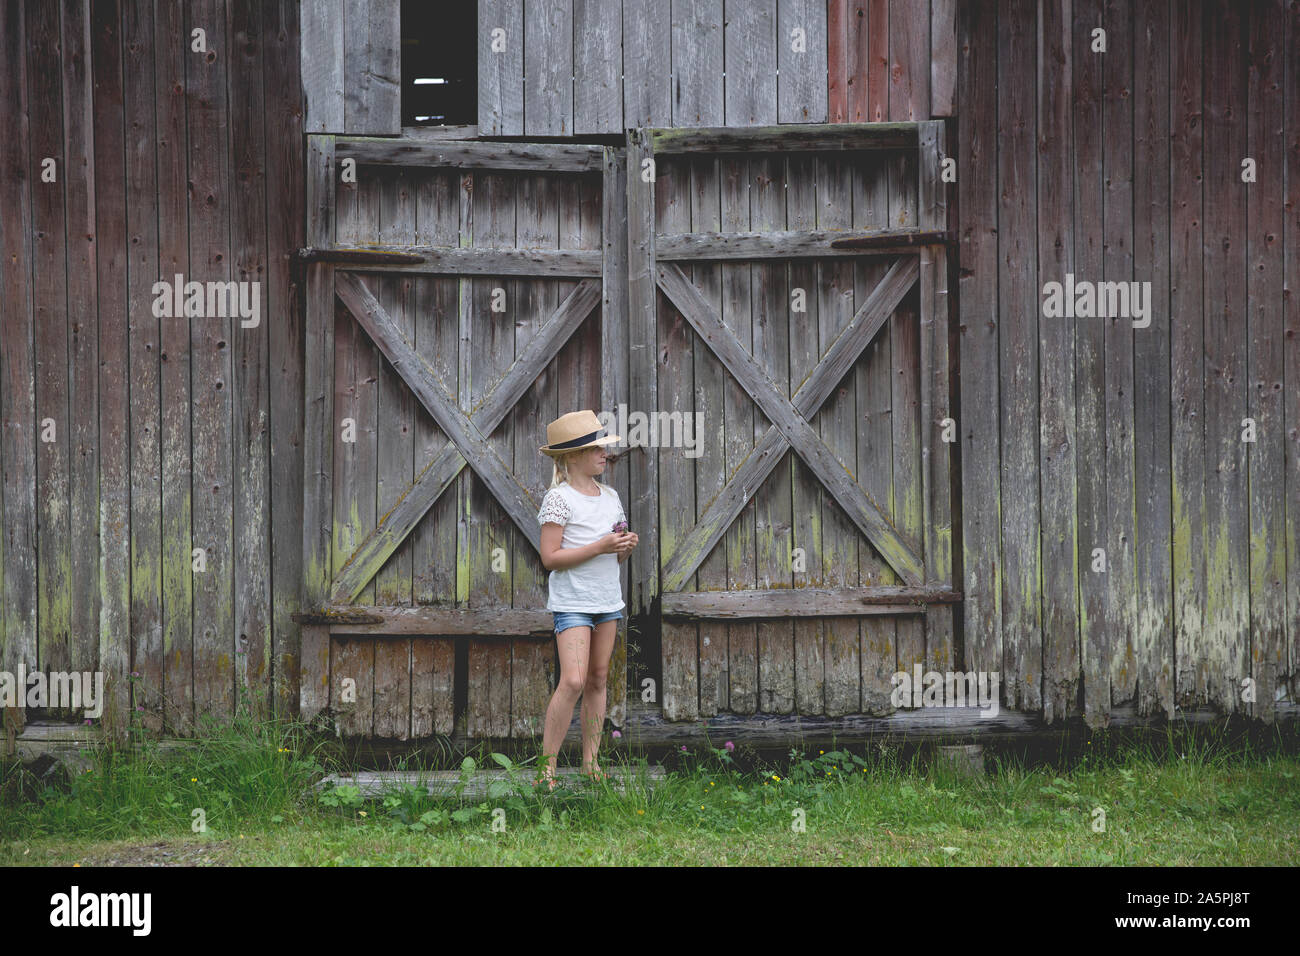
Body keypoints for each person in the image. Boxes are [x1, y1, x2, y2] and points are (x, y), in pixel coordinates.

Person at [535, 410, 639, 791]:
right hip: (573, 602)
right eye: (595, 449)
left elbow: (615, 555)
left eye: (603, 448)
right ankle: (546, 770)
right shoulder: (559, 500)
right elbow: (550, 558)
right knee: (574, 680)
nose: (603, 454)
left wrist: (623, 547)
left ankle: (590, 764)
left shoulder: (610, 497)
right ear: (573, 456)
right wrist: (600, 546)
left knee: (597, 679)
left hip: (607, 600)